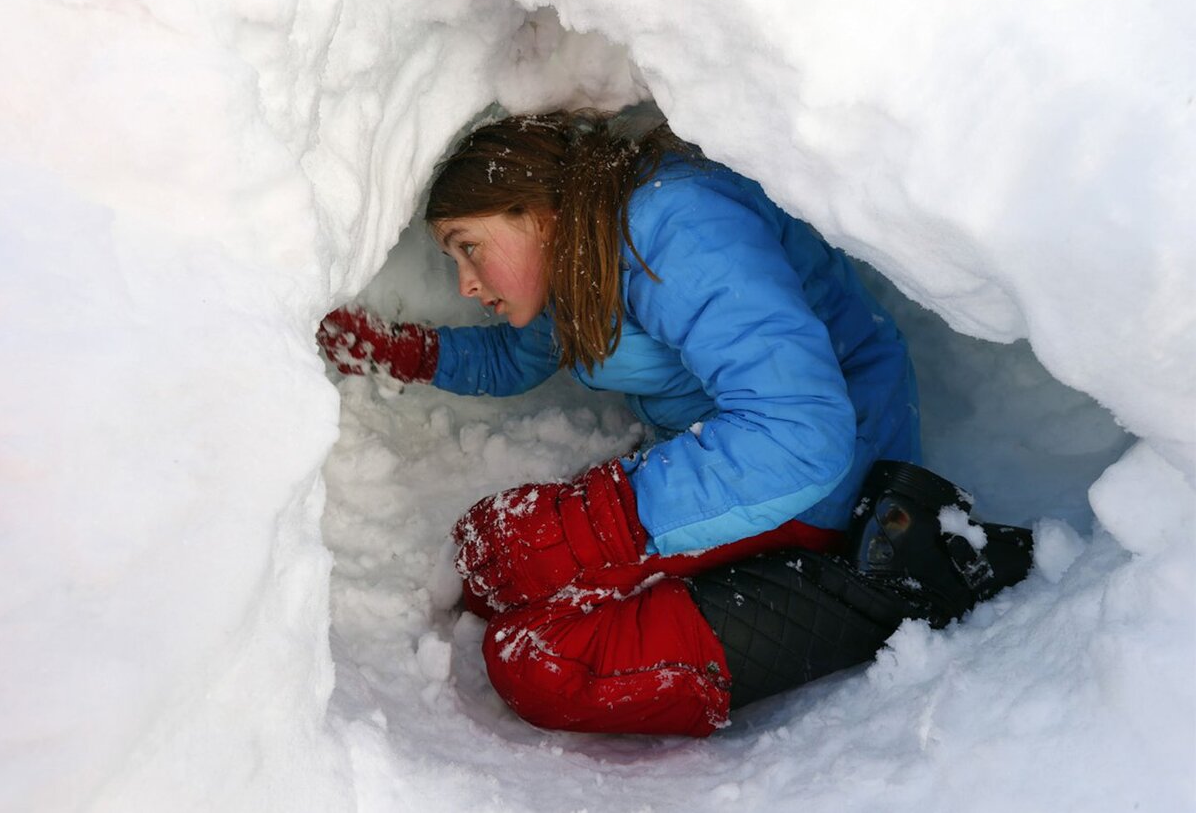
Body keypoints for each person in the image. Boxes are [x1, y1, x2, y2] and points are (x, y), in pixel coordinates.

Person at [318, 110, 1032, 736]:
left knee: (543, 660)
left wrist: (597, 520)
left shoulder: (679, 226)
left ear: (535, 212)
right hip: (743, 462)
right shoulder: (578, 259)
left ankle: (879, 584)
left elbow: (801, 431)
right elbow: (519, 354)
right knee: (488, 568)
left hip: (828, 477)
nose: (466, 283)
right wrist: (406, 353)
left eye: (468, 246)